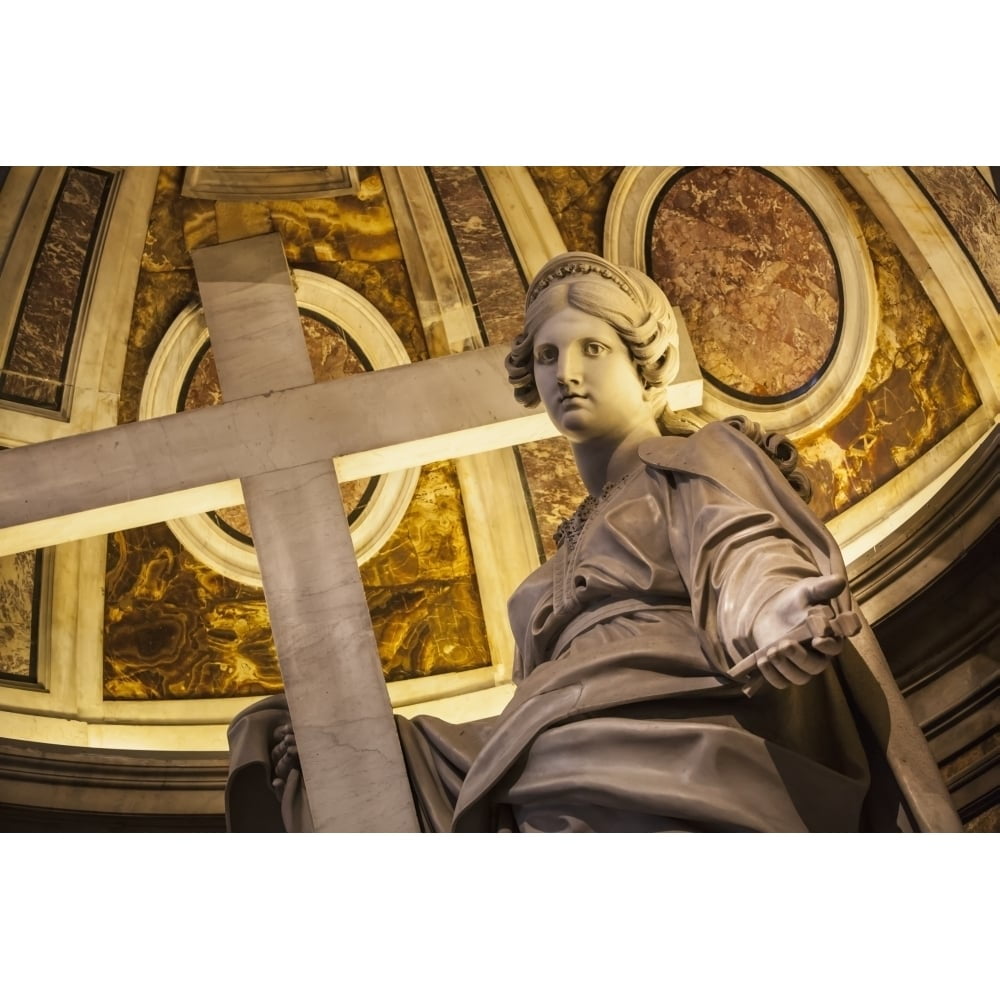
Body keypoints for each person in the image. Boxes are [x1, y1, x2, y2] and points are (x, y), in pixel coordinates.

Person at [226, 252, 960, 833]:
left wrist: (773, 613)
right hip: (544, 739)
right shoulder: (552, 560)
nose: (566, 373)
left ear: (647, 370)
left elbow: (746, 549)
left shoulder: (700, 455)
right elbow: (531, 704)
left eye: (592, 349)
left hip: (668, 732)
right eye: (547, 357)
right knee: (359, 758)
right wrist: (345, 751)